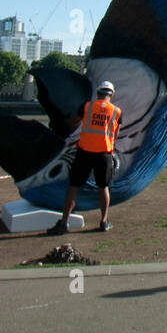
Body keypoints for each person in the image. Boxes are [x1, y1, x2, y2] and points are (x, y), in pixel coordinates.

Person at [49, 81, 122, 235]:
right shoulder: (116, 112)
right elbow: (116, 134)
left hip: (84, 152)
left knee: (73, 186)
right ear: (112, 94)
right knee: (103, 187)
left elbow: (73, 122)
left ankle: (64, 223)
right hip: (104, 153)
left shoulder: (87, 107)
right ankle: (103, 222)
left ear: (97, 93)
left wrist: (61, 120)